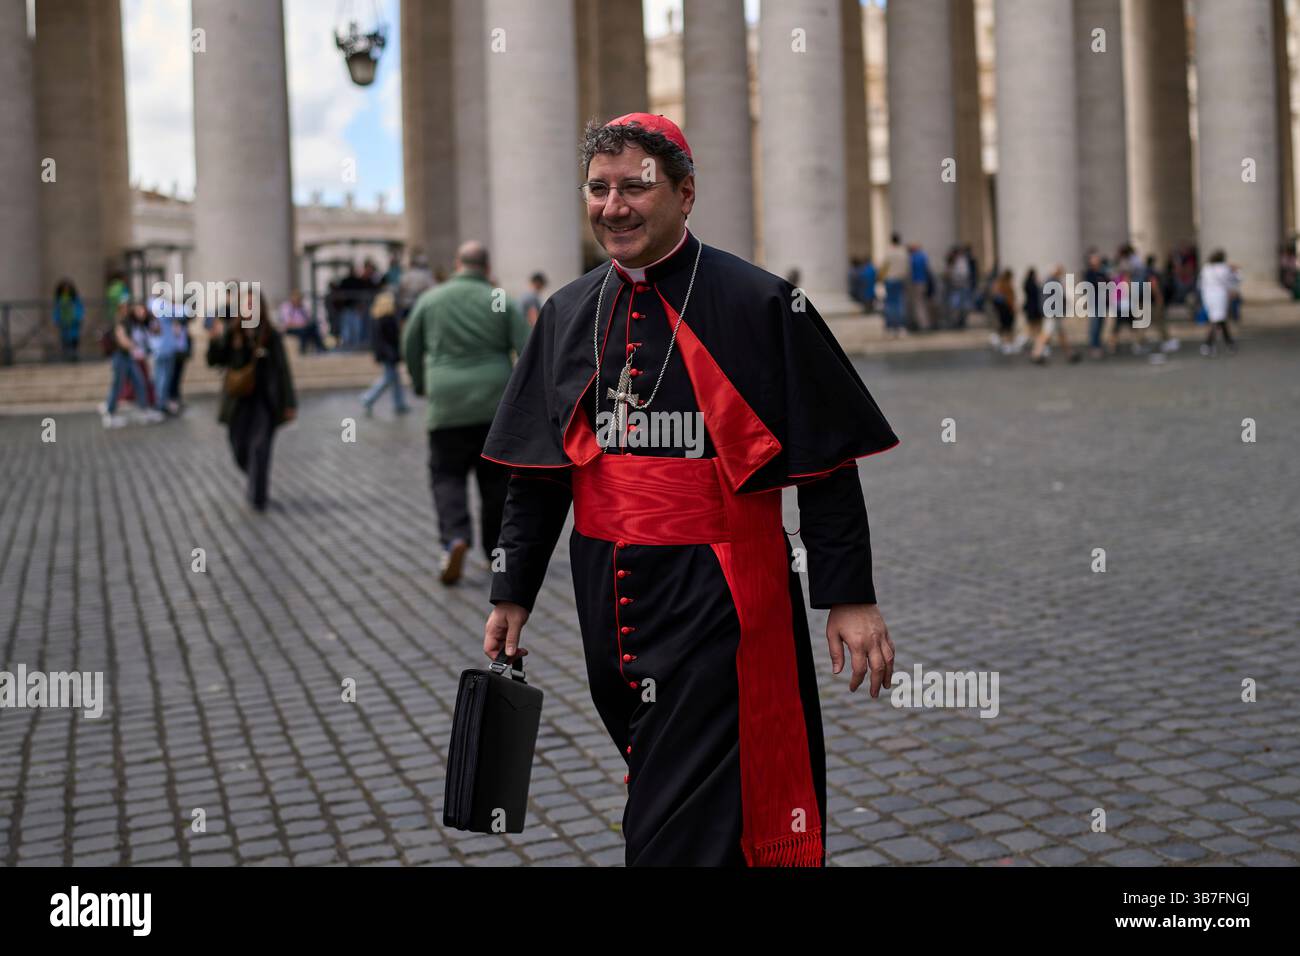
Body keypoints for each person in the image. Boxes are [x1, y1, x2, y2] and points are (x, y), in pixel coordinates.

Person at [480, 112, 898, 867]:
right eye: (599, 189)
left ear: (685, 193)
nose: (614, 207)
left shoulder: (760, 303)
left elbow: (828, 464)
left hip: (720, 598)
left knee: (675, 820)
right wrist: (512, 591)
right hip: (608, 598)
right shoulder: (569, 311)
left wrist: (850, 596)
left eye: (635, 187)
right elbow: (538, 473)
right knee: (671, 786)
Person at [402, 240, 527, 585]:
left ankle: (455, 538)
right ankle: (494, 551)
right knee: (496, 483)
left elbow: (409, 345)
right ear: (487, 268)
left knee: (447, 476)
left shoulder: (432, 299)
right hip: (495, 405)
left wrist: (420, 382)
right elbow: (528, 347)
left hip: (447, 404)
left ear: (458, 264)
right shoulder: (499, 299)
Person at [206, 292, 298, 510]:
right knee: (239, 447)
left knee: (260, 447)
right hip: (238, 401)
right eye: (246, 305)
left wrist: (289, 403)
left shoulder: (270, 335)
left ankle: (258, 496)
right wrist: (214, 340)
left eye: (253, 305)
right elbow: (214, 360)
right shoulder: (233, 333)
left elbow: (283, 370)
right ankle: (255, 476)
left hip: (264, 400)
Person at [100, 302, 162, 428]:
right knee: (117, 385)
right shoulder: (120, 323)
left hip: (128, 357)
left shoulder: (130, 322)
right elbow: (122, 340)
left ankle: (144, 410)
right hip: (120, 357)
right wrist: (135, 346)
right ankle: (109, 413)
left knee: (139, 382)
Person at [360, 290, 410, 416]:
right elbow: (393, 339)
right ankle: (367, 398)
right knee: (388, 378)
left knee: (395, 380)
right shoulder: (387, 319)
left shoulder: (376, 318)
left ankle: (399, 404)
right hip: (389, 354)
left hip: (384, 353)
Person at [1198, 249, 1238, 356]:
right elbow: (1234, 280)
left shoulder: (1206, 268)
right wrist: (1235, 271)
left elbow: (1200, 283)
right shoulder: (1224, 268)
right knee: (1217, 320)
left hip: (1208, 296)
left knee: (1220, 319)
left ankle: (1229, 343)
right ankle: (1208, 344)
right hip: (1220, 296)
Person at [279, 290, 326, 354]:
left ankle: (320, 347)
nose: (298, 301)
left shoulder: (301, 307)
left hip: (303, 327)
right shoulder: (287, 307)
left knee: (313, 327)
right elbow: (288, 323)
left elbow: (307, 319)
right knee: (303, 331)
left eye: (299, 299)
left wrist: (305, 323)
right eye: (297, 299)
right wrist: (301, 325)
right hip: (291, 329)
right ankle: (302, 349)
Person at [881, 233, 909, 337]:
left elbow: (884, 267)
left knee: (890, 304)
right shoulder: (903, 252)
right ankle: (900, 326)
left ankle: (891, 327)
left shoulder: (889, 252)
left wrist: (880, 278)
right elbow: (907, 268)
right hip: (900, 279)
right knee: (899, 303)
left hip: (890, 280)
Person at [52, 280, 84, 362]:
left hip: (73, 322)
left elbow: (79, 308)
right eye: (65, 288)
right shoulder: (60, 299)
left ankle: (74, 357)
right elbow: (57, 310)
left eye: (68, 288)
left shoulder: (75, 299)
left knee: (74, 340)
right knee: (65, 340)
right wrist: (56, 319)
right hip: (64, 323)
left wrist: (79, 317)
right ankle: (66, 357)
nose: (66, 290)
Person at [990, 269, 1016, 352]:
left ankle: (1001, 341)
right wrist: (1013, 307)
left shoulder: (998, 284)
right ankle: (1007, 344)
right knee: (1008, 327)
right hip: (1007, 308)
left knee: (1004, 327)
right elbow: (1010, 298)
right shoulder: (1007, 285)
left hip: (1001, 309)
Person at [1022, 267, 1044, 359]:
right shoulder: (1033, 284)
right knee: (1037, 328)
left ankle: (1035, 344)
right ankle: (1036, 345)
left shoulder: (1026, 283)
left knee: (1032, 328)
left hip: (1030, 309)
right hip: (1035, 309)